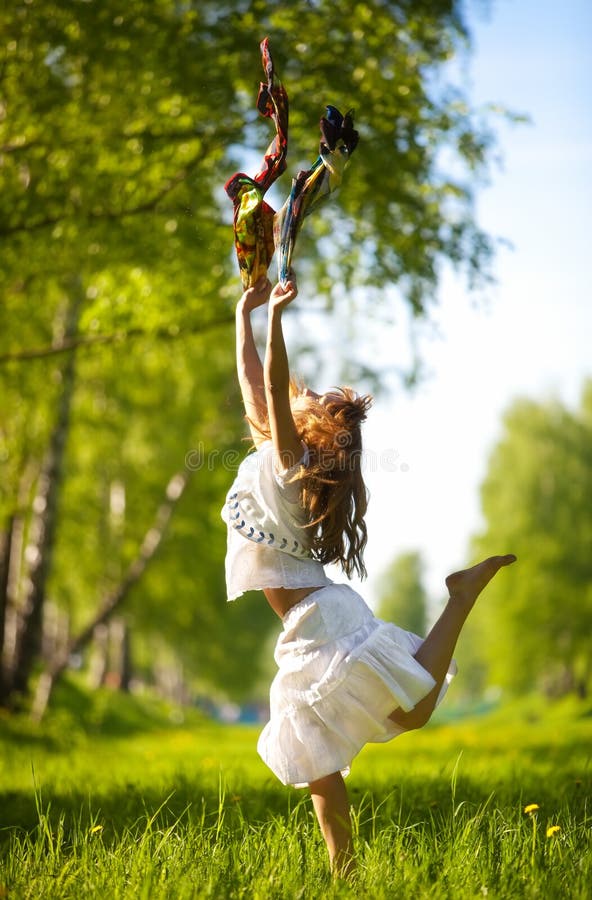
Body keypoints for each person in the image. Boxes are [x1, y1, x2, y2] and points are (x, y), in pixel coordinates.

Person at [222, 274, 516, 878]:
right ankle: (344, 870)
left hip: (323, 620)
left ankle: (459, 599)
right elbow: (256, 387)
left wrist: (275, 320)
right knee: (320, 753)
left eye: (304, 407)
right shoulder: (279, 462)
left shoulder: (289, 465)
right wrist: (242, 316)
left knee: (406, 711)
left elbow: (273, 386)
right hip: (315, 620)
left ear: (311, 435)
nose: (292, 402)